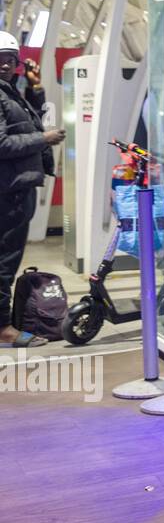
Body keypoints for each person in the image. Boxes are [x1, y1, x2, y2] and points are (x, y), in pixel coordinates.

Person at [0, 36, 64, 348]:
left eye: (11, 58)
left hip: (16, 188)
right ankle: (3, 329)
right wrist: (45, 140)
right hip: (7, 192)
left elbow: (26, 125)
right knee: (4, 260)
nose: (6, 64)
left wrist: (35, 90)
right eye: (1, 58)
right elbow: (2, 144)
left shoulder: (9, 91)